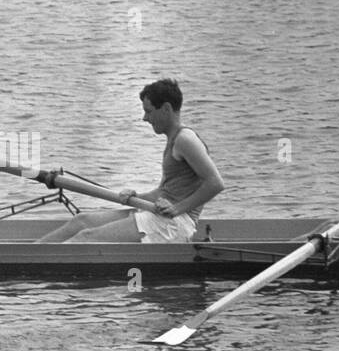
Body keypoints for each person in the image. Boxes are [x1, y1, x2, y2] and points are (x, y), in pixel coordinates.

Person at [35, 79, 224, 243]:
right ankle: (29, 254)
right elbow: (167, 192)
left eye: (148, 111)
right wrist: (137, 197)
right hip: (161, 215)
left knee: (86, 237)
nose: (145, 118)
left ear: (166, 109)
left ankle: (34, 267)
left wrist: (176, 209)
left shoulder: (185, 139)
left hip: (176, 224)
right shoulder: (174, 139)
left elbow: (215, 183)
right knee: (81, 221)